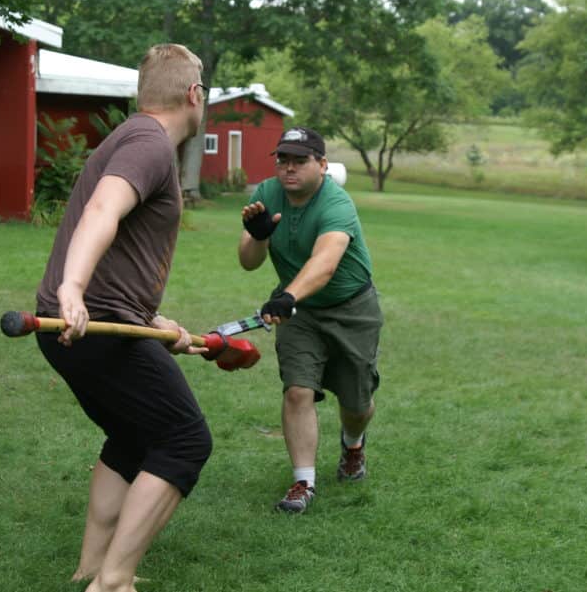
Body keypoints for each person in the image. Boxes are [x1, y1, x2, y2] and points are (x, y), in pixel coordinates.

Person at [34, 43, 212, 591]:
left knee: (132, 439)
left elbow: (121, 244)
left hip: (92, 323)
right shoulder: (150, 141)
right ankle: (113, 582)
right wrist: (74, 286)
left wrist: (154, 324)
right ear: (194, 94)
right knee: (184, 439)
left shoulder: (132, 136)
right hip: (87, 321)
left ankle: (91, 567)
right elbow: (103, 209)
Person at [238, 127, 383, 514]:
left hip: (352, 309)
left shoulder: (337, 203)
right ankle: (304, 482)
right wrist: (257, 236)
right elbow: (248, 261)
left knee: (357, 402)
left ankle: (353, 443)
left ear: (321, 165)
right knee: (298, 390)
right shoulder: (266, 194)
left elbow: (326, 262)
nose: (289, 168)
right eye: (282, 159)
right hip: (299, 314)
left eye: (299, 160)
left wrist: (287, 296)